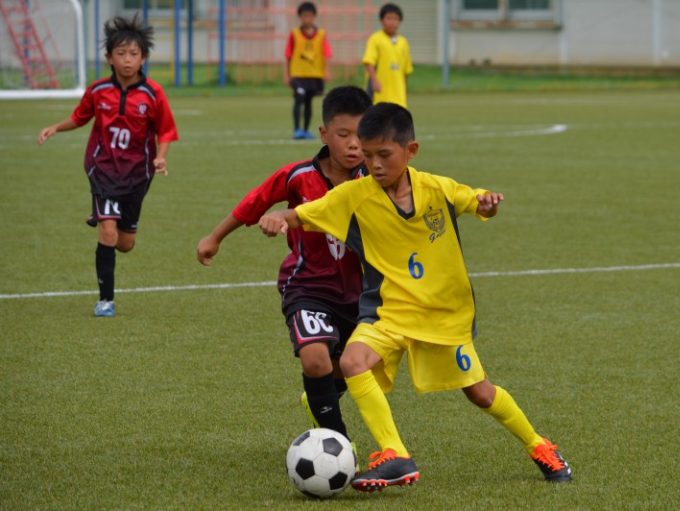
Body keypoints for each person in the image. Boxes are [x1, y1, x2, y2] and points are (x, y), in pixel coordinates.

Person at [258, 102, 573, 491]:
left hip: (443, 314)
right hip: (389, 312)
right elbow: (304, 213)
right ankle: (395, 454)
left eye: (384, 155)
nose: (374, 164)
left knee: (479, 391)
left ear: (411, 151)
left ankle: (539, 445)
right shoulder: (355, 196)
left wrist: (488, 204)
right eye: (368, 154)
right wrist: (278, 218)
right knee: (354, 360)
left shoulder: (437, 188)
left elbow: (476, 201)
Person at [196, 86, 372, 441]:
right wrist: (215, 237)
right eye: (344, 135)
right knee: (315, 359)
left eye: (361, 135)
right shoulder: (297, 176)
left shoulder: (375, 180)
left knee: (351, 367)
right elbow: (255, 201)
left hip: (360, 293)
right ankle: (338, 442)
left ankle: (320, 398)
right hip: (307, 287)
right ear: (324, 134)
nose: (354, 144)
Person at [37, 15, 178, 318]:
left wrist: (161, 156)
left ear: (144, 58)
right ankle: (106, 300)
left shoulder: (153, 94)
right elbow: (80, 117)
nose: (128, 60)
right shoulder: (99, 90)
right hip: (102, 170)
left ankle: (107, 216)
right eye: (121, 54)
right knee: (108, 233)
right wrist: (55, 128)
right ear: (109, 58)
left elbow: (166, 130)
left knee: (125, 244)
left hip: (138, 174)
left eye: (134, 54)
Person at [284, 1, 332, 140]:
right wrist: (287, 74)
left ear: (314, 17)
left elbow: (326, 54)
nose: (307, 19)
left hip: (314, 75)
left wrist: (326, 71)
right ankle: (297, 130)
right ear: (300, 17)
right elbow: (288, 55)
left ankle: (305, 130)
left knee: (309, 102)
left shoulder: (321, 34)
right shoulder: (294, 34)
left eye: (309, 16)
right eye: (304, 16)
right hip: (298, 74)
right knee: (299, 97)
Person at [362, 3, 413, 108]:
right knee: (377, 119)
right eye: (388, 18)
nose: (392, 22)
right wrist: (374, 80)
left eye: (395, 19)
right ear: (381, 20)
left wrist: (405, 91)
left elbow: (406, 70)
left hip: (398, 94)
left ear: (400, 21)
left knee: (397, 121)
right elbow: (369, 61)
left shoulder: (403, 42)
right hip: (380, 93)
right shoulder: (375, 39)